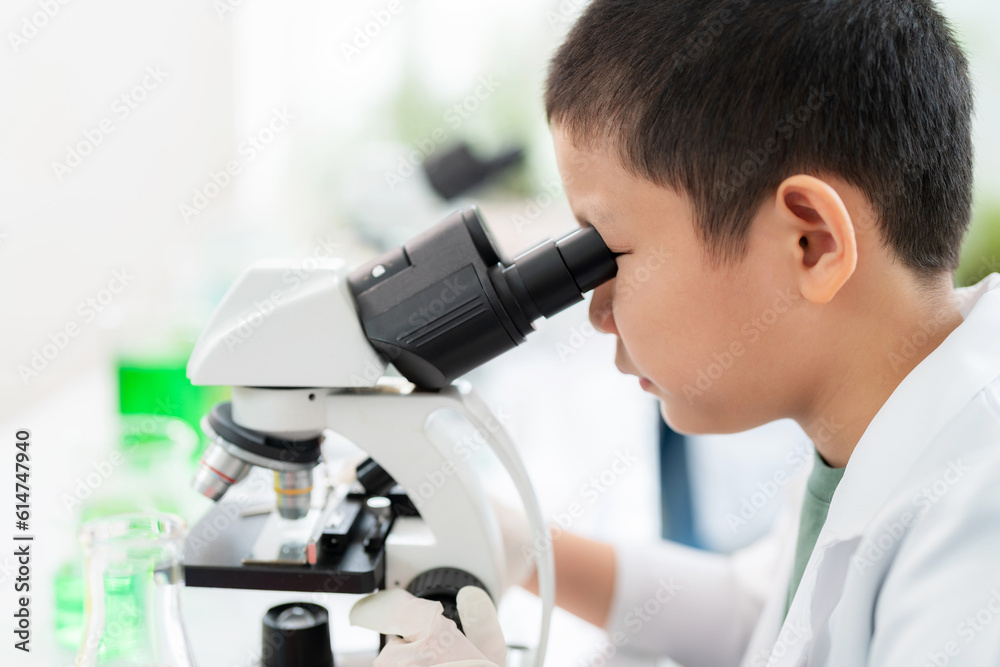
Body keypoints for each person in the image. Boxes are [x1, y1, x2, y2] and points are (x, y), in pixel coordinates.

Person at [351, 1, 1000, 665]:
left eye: (609, 254)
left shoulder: (979, 516)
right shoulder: (881, 430)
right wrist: (516, 543)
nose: (597, 310)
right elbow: (762, 616)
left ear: (812, 243)